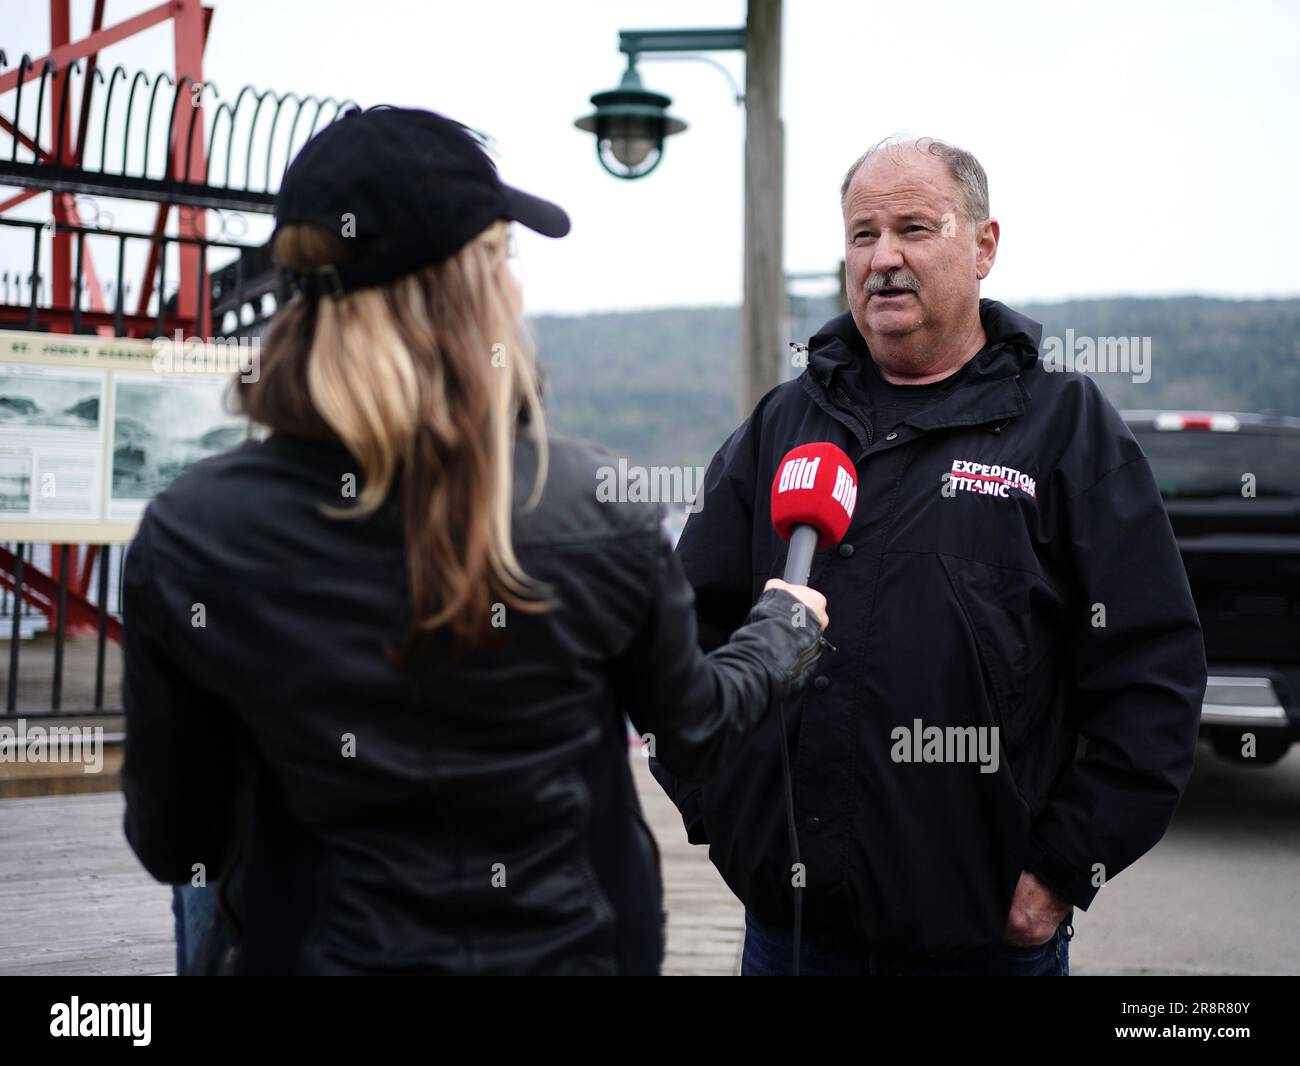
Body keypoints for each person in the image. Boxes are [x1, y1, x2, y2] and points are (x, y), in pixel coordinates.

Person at [120, 108, 829, 976]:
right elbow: (695, 725)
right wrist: (781, 630)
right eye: (506, 260)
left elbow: (174, 841)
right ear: (478, 286)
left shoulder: (189, 534)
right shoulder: (597, 501)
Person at [651, 136, 1207, 976]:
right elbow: (674, 641)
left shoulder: (1066, 429)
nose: (884, 258)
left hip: (985, 938)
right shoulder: (782, 425)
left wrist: (1059, 872)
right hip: (791, 934)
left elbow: (1153, 672)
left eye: (915, 228)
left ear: (984, 246)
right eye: (863, 235)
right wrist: (731, 823)